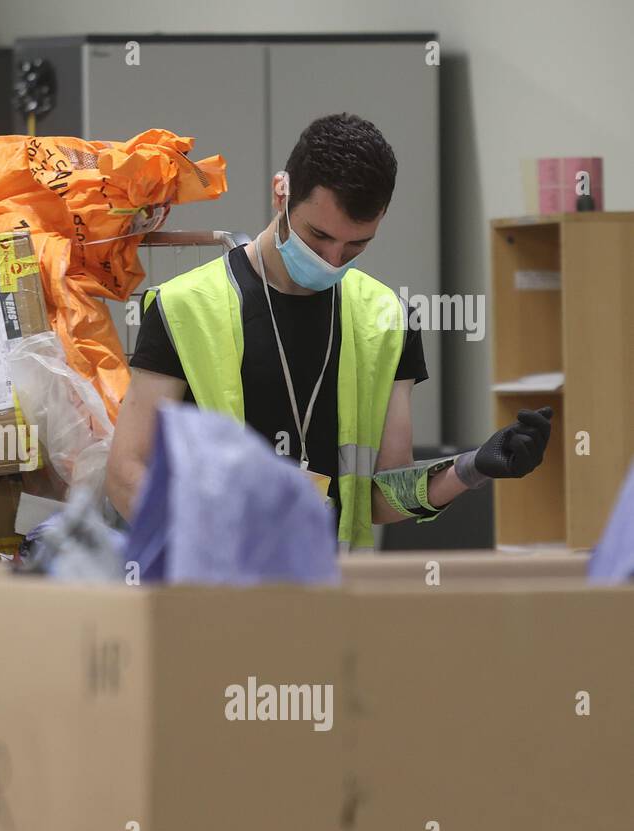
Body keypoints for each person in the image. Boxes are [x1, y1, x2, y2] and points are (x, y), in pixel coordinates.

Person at [106, 112, 552, 550]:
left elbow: (379, 497)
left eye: (356, 245)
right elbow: (127, 473)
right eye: (317, 236)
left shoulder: (386, 318)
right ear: (281, 194)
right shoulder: (185, 306)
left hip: (329, 589)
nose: (332, 259)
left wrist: (472, 468)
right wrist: (214, 549)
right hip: (212, 589)